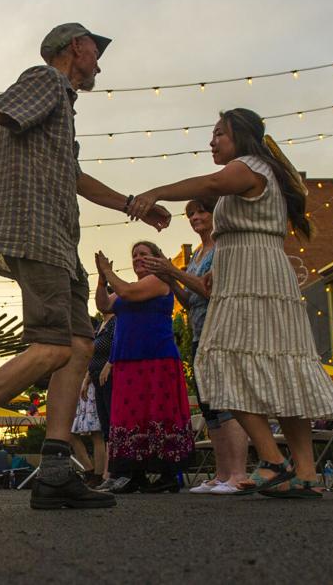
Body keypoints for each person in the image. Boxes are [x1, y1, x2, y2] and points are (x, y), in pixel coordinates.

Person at [0, 22, 170, 512]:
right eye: (95, 51)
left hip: (61, 240)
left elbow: (75, 177)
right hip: (35, 229)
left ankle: (54, 472)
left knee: (79, 346)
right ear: (76, 47)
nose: (99, 62)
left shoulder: (64, 108)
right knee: (52, 347)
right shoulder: (46, 80)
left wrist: (132, 204)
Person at [127, 107, 333, 498]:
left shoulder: (247, 167)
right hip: (256, 272)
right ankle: (306, 473)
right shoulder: (263, 171)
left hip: (253, 278)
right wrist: (220, 266)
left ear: (240, 136)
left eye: (219, 134)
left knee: (217, 359)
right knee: (282, 366)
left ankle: (272, 460)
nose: (212, 142)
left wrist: (155, 192)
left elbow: (211, 183)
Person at [136, 197, 250, 495]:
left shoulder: (223, 247)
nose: (195, 217)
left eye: (201, 211)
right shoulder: (198, 254)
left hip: (222, 331)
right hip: (200, 333)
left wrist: (174, 272)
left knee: (228, 405)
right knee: (211, 409)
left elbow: (211, 290)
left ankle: (238, 474)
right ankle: (221, 474)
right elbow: (190, 301)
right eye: (190, 213)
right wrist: (171, 280)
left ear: (215, 213)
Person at [94, 242, 193, 494]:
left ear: (156, 259)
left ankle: (167, 474)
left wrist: (109, 271)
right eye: (134, 255)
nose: (137, 258)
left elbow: (126, 292)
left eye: (143, 254)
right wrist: (102, 279)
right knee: (131, 416)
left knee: (158, 412)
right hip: (128, 360)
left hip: (155, 359)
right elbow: (104, 305)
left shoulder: (159, 281)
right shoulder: (128, 287)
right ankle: (133, 473)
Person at [82, 314, 114, 489]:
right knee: (106, 426)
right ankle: (106, 473)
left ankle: (108, 473)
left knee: (109, 426)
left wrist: (109, 364)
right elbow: (93, 357)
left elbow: (117, 345)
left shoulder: (115, 322)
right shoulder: (101, 325)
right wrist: (87, 379)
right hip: (96, 379)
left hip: (109, 378)